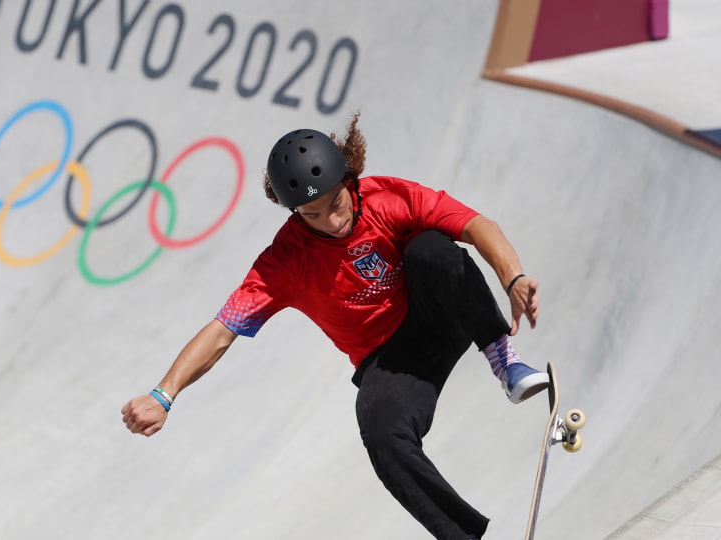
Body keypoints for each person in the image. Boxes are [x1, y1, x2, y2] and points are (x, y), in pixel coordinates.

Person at [121, 113, 548, 539]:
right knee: (381, 432)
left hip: (439, 309)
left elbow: (477, 226)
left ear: (349, 181)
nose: (332, 221)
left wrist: (512, 277)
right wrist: (165, 392)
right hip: (390, 358)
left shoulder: (389, 199)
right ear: (294, 212)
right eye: (313, 215)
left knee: (432, 249)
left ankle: (504, 360)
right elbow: (222, 329)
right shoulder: (285, 261)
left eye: (336, 204)